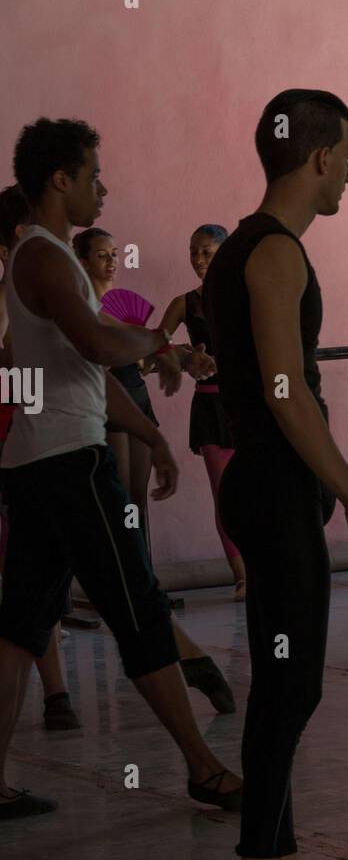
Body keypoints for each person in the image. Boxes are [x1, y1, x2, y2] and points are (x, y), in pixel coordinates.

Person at [204, 88, 348, 860]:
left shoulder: (241, 249)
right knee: (287, 692)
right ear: (319, 158)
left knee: (292, 687)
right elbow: (287, 394)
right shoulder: (276, 252)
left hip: (267, 489)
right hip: (278, 491)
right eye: (346, 158)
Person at [0, 116, 243, 820]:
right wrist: (163, 341)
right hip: (68, 465)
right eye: (95, 176)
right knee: (139, 607)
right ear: (61, 180)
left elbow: (89, 368)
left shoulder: (47, 258)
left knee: (20, 628)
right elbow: (100, 345)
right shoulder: (45, 257)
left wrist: (150, 433)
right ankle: (202, 769)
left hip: (39, 463)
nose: (103, 190)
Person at [72, 226, 235, 713]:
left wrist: (178, 356)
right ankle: (135, 598)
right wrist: (168, 353)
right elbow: (123, 352)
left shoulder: (113, 305)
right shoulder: (78, 305)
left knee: (134, 501)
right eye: (101, 255)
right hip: (108, 406)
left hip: (133, 398)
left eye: (114, 254)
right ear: (81, 261)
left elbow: (145, 349)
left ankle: (144, 587)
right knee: (118, 502)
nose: (111, 261)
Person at [0, 183, 79, 731]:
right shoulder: (16, 290)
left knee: (33, 572)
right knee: (30, 574)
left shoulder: (25, 289)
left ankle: (57, 695)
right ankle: (55, 695)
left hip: (23, 439)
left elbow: (25, 377)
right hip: (18, 440)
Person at [159, 226, 246, 599]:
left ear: (225, 253)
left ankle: (266, 569)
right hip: (211, 406)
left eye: (207, 252)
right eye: (193, 252)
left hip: (249, 403)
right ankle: (242, 576)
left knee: (259, 490)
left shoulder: (247, 296)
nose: (198, 259)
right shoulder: (183, 304)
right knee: (225, 494)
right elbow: (155, 346)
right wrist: (183, 356)